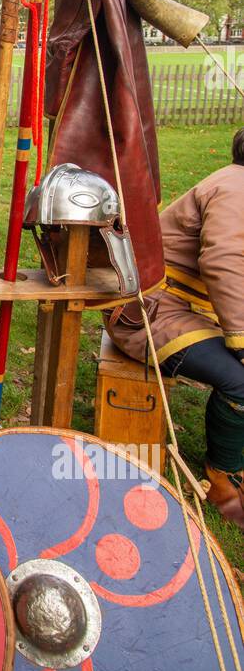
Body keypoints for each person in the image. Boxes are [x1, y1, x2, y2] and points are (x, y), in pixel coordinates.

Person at [107, 128, 244, 530]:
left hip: (193, 311)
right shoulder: (236, 186)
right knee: (240, 380)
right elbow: (226, 262)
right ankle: (223, 476)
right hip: (153, 314)